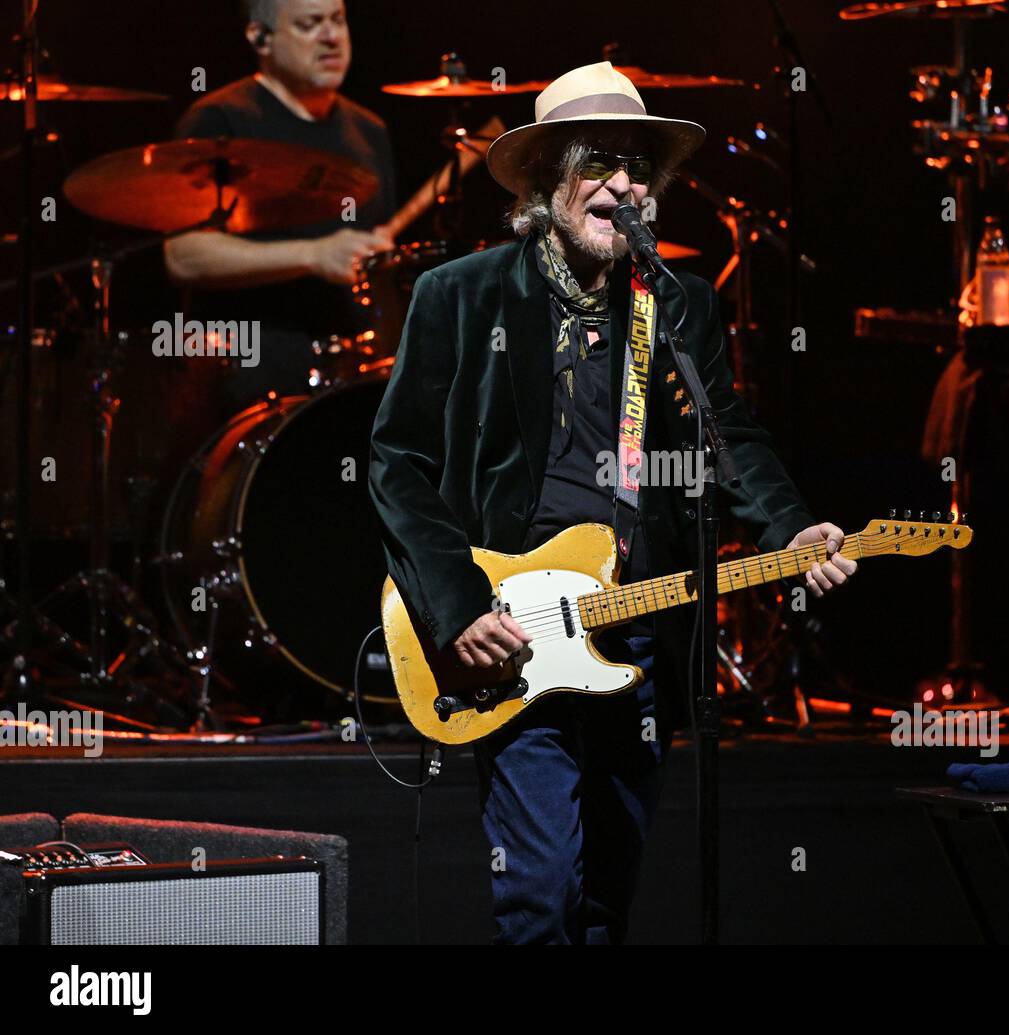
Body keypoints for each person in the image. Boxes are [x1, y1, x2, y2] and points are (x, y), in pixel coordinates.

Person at [369, 62, 857, 944]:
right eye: (599, 164)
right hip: (514, 627)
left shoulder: (674, 305)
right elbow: (396, 461)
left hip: (638, 622)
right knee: (542, 891)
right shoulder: (462, 295)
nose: (623, 185)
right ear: (549, 180)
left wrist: (792, 528)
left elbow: (728, 438)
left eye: (639, 168)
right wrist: (458, 610)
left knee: (607, 897)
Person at [164, 0, 396, 408]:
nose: (331, 38)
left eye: (337, 21)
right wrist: (313, 254)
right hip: (251, 376)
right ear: (260, 37)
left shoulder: (368, 130)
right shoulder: (219, 122)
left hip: (351, 374)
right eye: (309, 25)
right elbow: (184, 256)